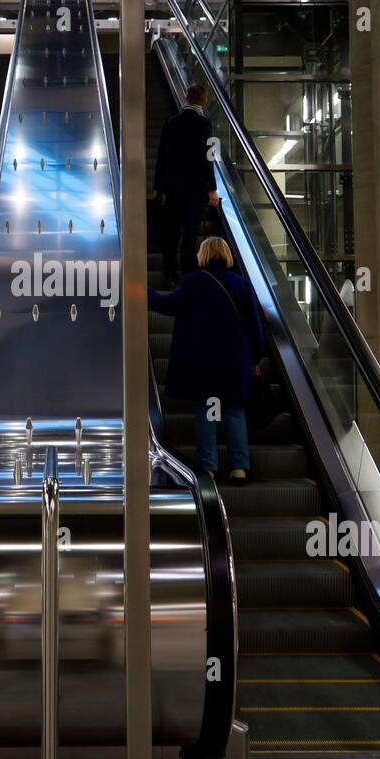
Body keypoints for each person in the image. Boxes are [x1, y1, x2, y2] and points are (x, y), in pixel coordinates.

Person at [149, 236, 264, 483]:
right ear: (226, 254)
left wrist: (142, 289)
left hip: (203, 362)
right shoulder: (241, 284)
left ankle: (208, 467)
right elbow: (255, 326)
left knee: (207, 412)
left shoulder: (191, 283)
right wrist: (256, 357)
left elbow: (168, 305)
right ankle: (239, 468)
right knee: (234, 412)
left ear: (203, 255)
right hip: (234, 361)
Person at [152, 82, 219, 287]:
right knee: (189, 236)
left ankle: (171, 275)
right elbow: (208, 159)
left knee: (171, 235)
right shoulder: (205, 124)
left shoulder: (171, 123)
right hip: (195, 192)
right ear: (204, 100)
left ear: (186, 99)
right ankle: (189, 278)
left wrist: (158, 187)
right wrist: (212, 189)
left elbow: (161, 156)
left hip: (172, 191)